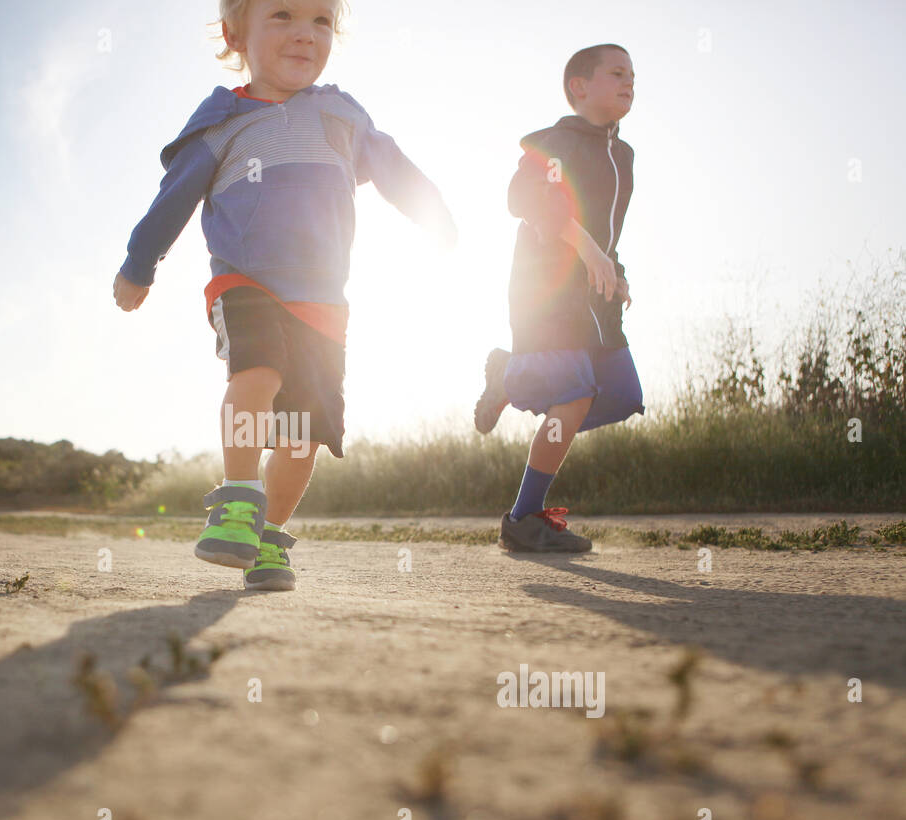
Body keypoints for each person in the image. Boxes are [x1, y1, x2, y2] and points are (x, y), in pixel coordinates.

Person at [113, 0, 456, 588]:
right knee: (259, 369)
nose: (305, 34)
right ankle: (239, 500)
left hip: (324, 300)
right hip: (245, 280)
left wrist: (435, 216)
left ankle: (268, 535)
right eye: (283, 16)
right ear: (233, 33)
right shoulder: (222, 120)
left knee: (303, 434)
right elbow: (173, 199)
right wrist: (139, 264)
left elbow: (392, 165)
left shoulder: (342, 113)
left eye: (321, 21)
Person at [474, 43, 644, 552]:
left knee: (618, 395)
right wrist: (588, 249)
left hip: (596, 290)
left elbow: (607, 231)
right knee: (572, 390)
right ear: (580, 87)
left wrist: (615, 271)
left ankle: (512, 375)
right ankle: (524, 519)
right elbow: (522, 199)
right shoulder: (554, 143)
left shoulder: (623, 155)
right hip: (546, 285)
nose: (629, 81)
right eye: (617, 72)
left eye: (633, 75)